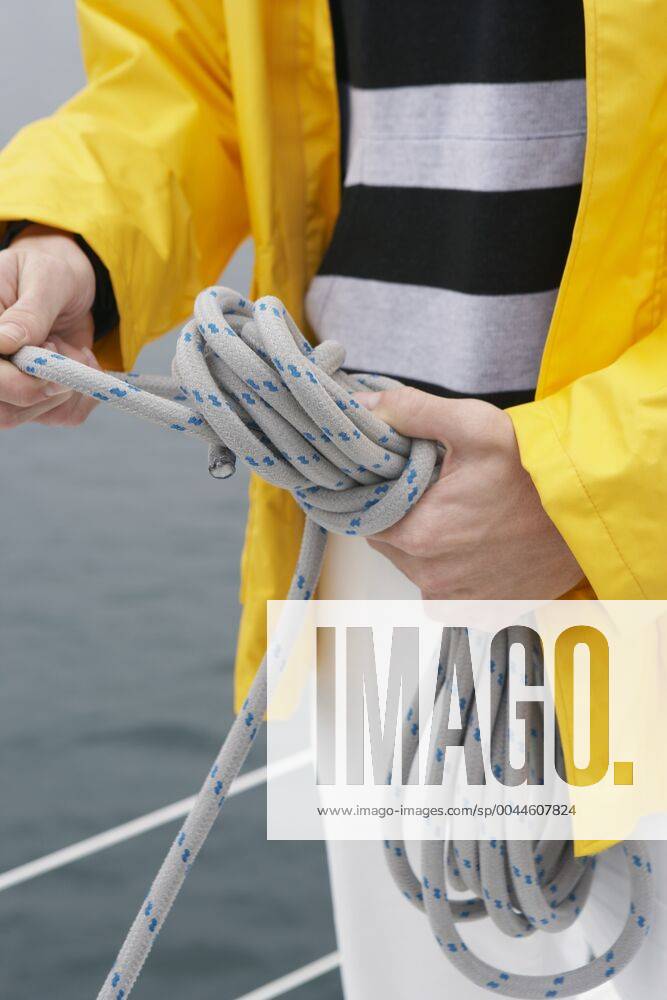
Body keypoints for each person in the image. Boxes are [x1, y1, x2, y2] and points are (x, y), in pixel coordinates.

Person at [0, 2, 665, 997]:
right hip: (366, 543)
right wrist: (77, 239)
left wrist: (598, 479)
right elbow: (190, 64)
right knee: (419, 966)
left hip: (630, 536)